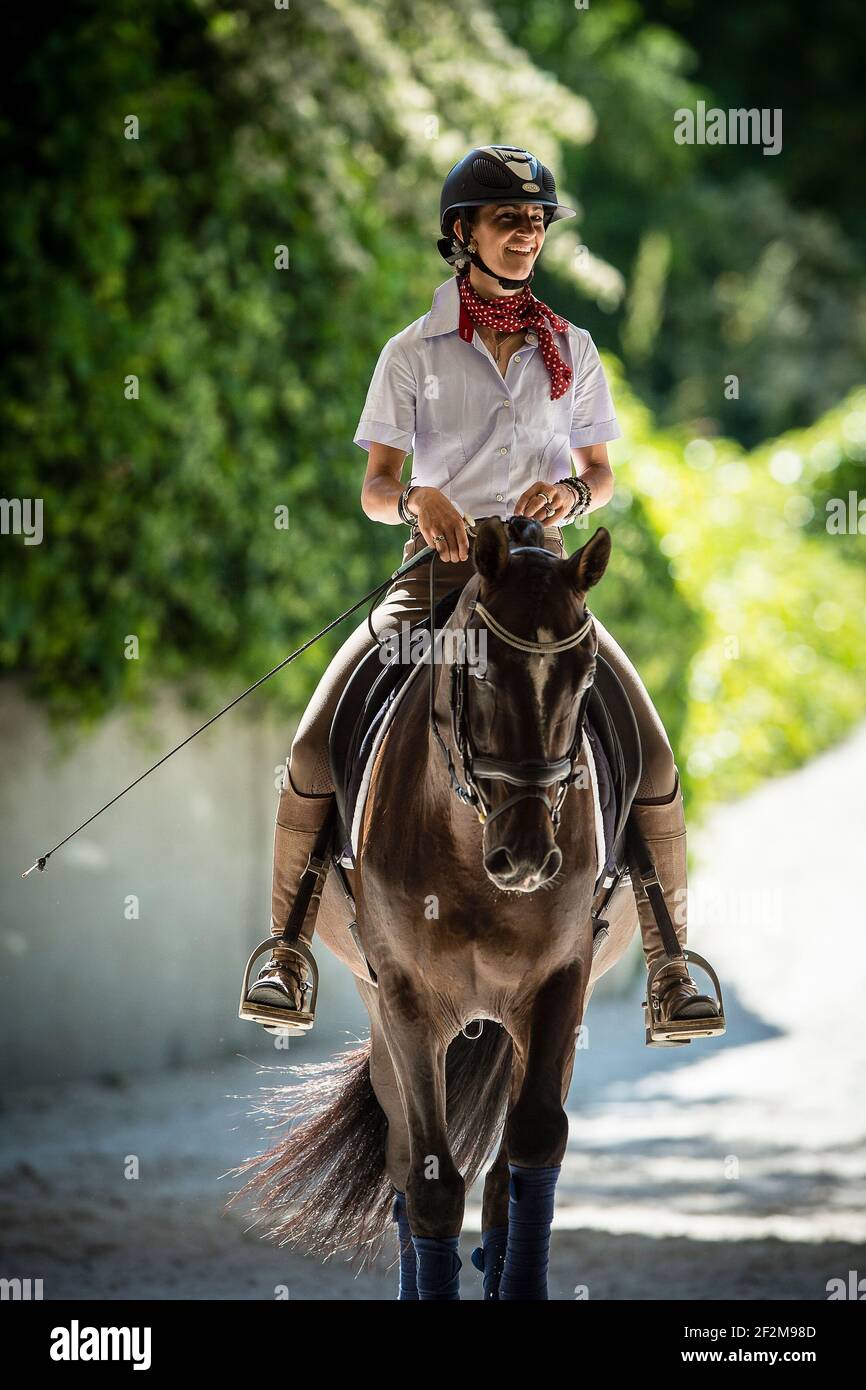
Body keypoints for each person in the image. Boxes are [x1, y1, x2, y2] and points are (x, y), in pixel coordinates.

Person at [240, 144, 723, 1043]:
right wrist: (416, 502)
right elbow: (376, 488)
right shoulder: (411, 353)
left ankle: (670, 963)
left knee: (650, 753)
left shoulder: (570, 348)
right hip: (442, 580)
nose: (526, 237)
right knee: (314, 743)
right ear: (462, 234)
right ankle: (288, 946)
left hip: (540, 586)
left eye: (537, 224)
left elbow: (602, 475)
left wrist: (573, 496)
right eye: (509, 222)